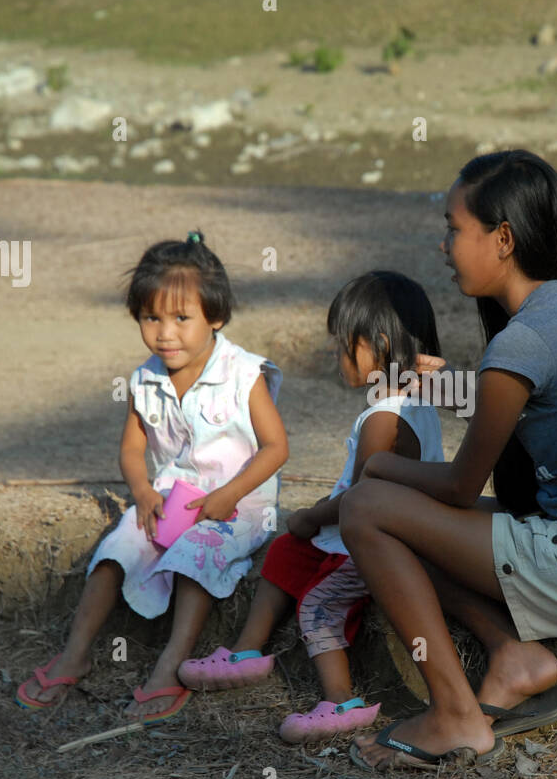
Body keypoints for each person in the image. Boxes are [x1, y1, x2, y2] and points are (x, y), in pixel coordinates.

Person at [341, 150, 557, 770]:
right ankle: (514, 657)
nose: (443, 247)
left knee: (365, 510)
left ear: (502, 239)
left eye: (453, 228)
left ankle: (454, 717)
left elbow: (462, 487)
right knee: (405, 525)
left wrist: (380, 468)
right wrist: (449, 388)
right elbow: (532, 412)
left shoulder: (521, 342)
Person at [16, 230, 288, 724]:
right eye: (151, 318)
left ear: (216, 316)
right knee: (116, 549)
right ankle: (74, 654)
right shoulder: (145, 379)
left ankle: (169, 665)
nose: (165, 333)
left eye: (182, 318)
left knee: (194, 555)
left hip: (241, 503)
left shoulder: (243, 375)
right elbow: (132, 447)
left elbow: (276, 448)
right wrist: (142, 492)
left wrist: (229, 494)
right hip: (171, 497)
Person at [178, 271, 445, 744]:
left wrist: (310, 516)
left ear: (378, 345)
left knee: (317, 606)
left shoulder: (384, 419)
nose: (335, 355)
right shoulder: (408, 401)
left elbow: (359, 500)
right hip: (355, 533)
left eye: (344, 345)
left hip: (373, 546)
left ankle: (340, 700)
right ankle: (247, 651)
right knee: (285, 552)